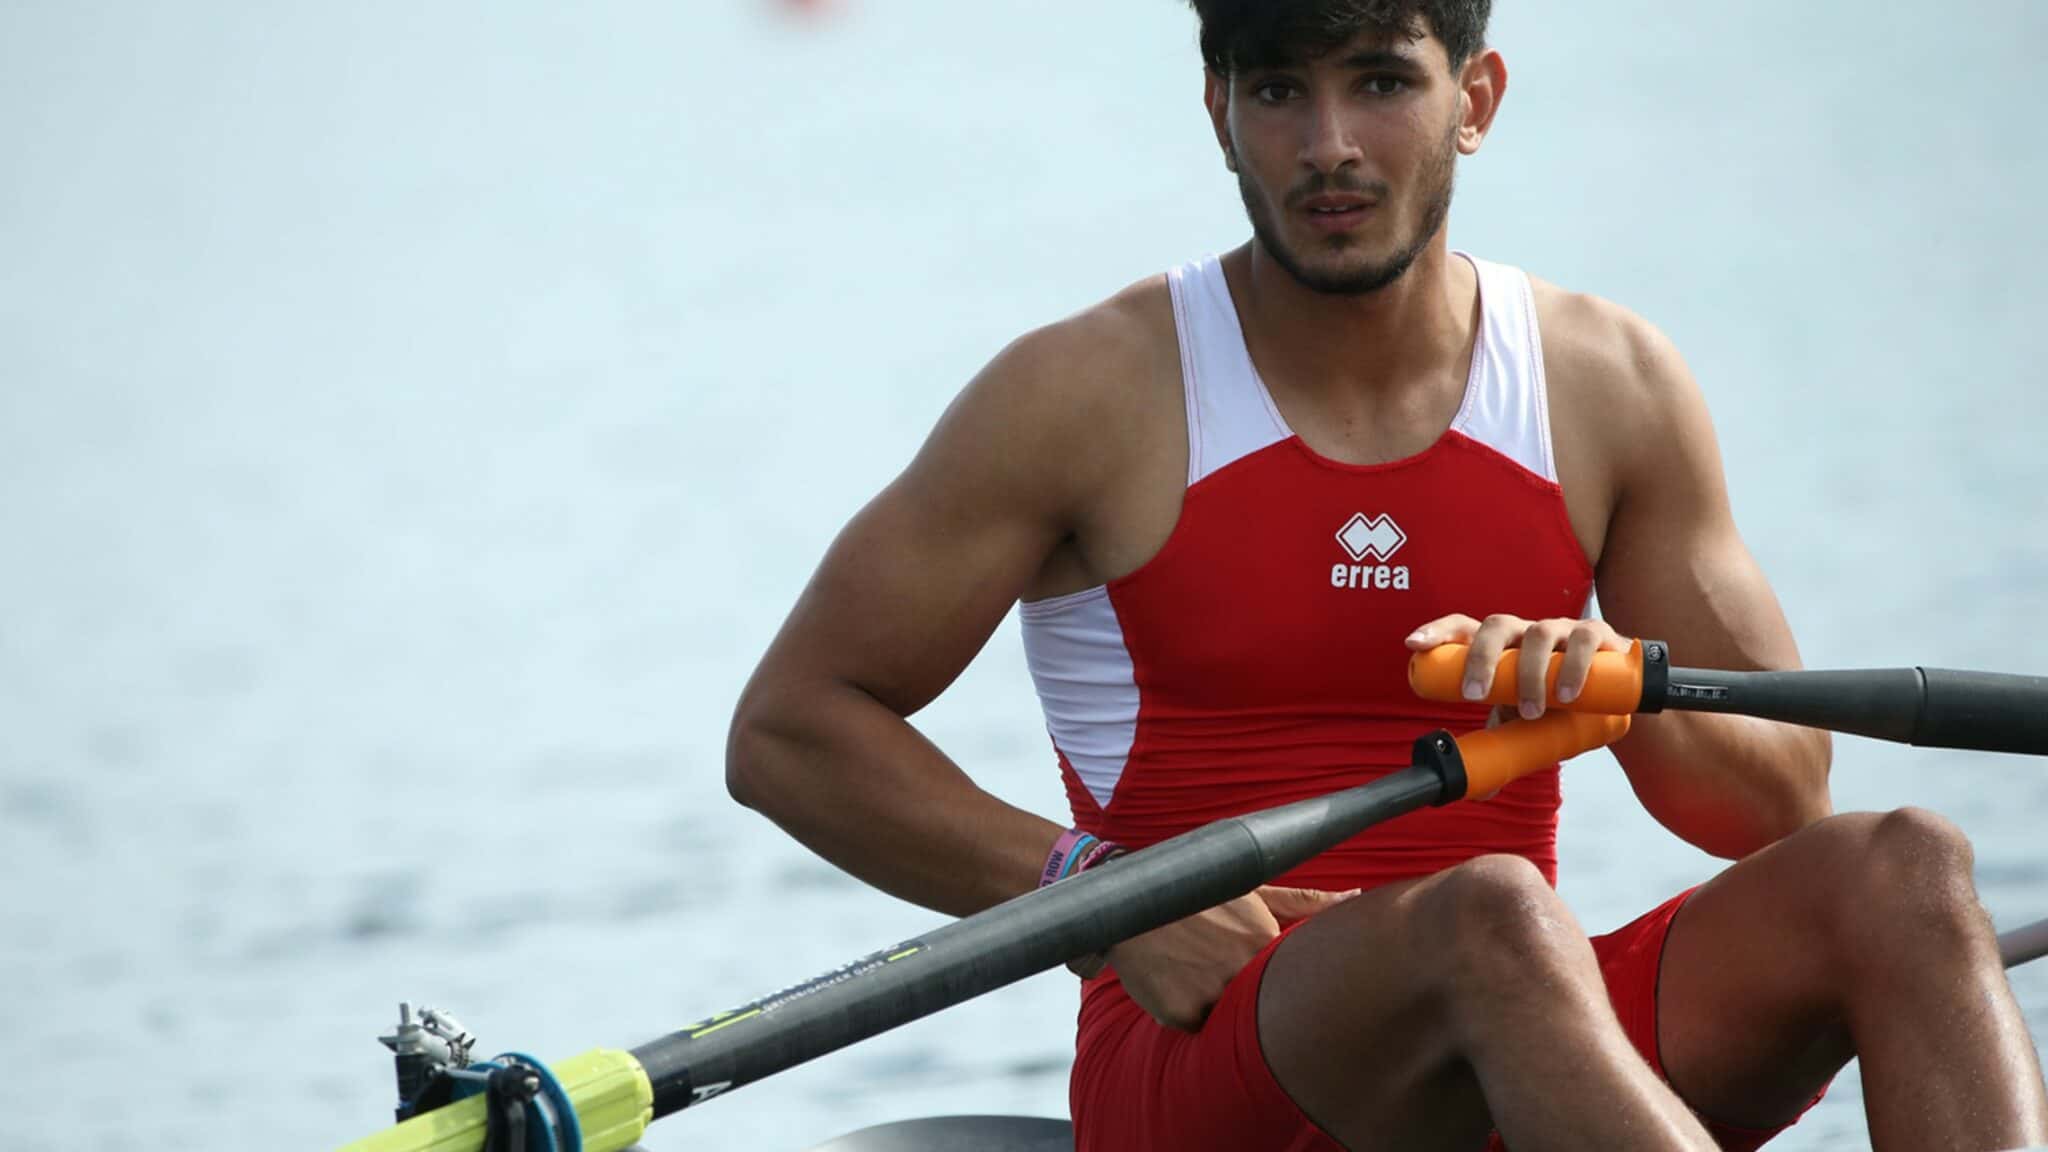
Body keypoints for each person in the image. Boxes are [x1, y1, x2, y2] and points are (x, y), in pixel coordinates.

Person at [725, 2, 2048, 1148]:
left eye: (1380, 80)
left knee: (1907, 869)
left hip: (1527, 1032)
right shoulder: (1085, 395)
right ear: (1218, 110)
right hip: (1199, 1063)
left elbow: (1781, 803)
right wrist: (1094, 896)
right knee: (1496, 918)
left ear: (1473, 98)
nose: (1329, 147)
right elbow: (791, 732)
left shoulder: (1607, 385)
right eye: (1279, 91)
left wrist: (1631, 699)